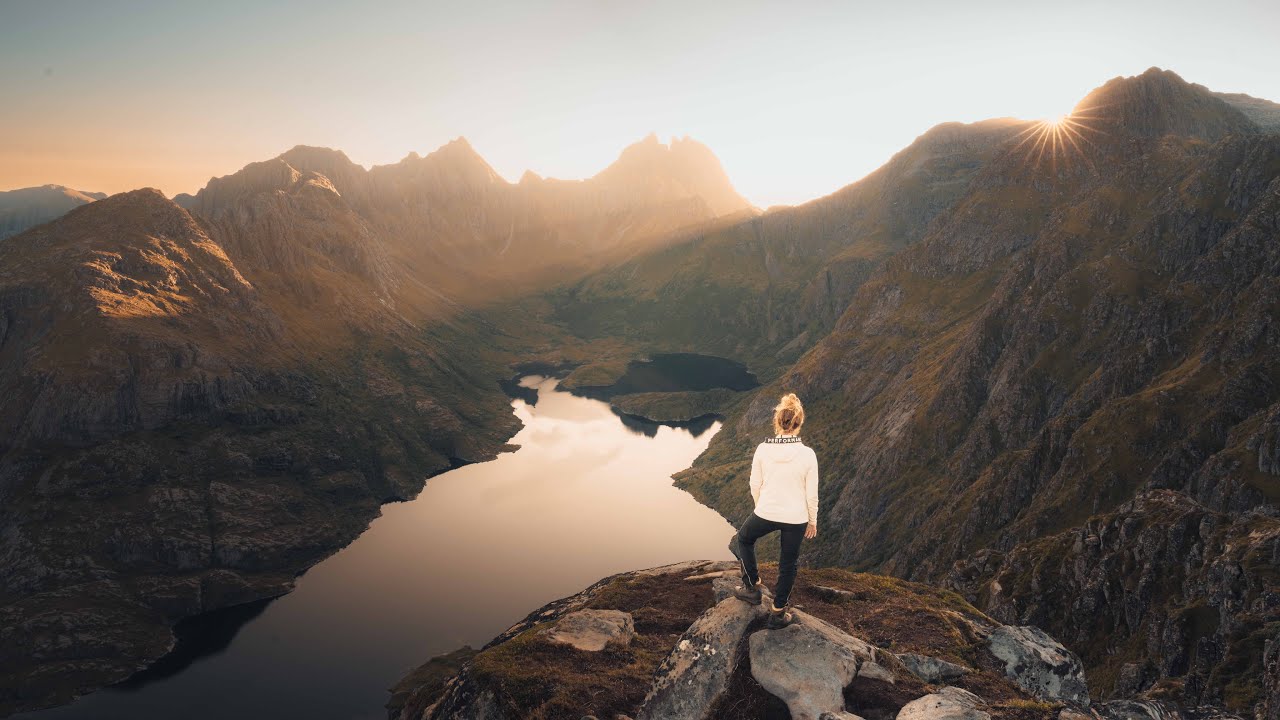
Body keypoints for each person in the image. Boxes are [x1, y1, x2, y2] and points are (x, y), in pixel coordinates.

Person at [729, 392, 818, 629]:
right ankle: (778, 613)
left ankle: (752, 587)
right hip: (797, 517)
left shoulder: (762, 449)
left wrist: (762, 506)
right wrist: (812, 521)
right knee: (788, 564)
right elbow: (812, 493)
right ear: (798, 423)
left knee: (744, 539)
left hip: (766, 511)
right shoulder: (808, 455)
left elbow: (754, 485)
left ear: (778, 422)